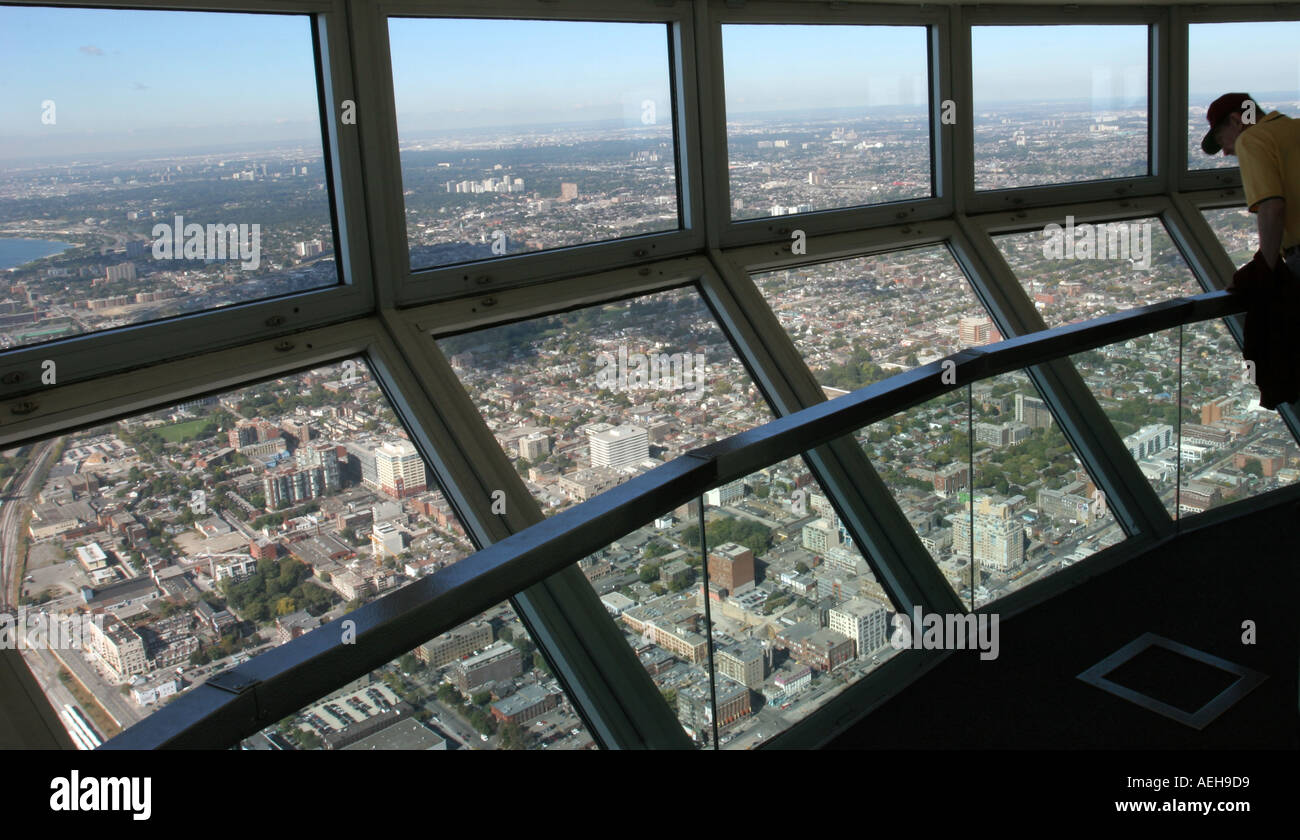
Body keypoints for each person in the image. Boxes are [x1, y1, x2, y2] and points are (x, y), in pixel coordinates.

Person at [1200, 92, 1300, 278]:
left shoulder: (1251, 139)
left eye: (1222, 140)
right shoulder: (1295, 127)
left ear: (1237, 121)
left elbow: (1272, 207)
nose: (1226, 152)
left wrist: (1264, 270)